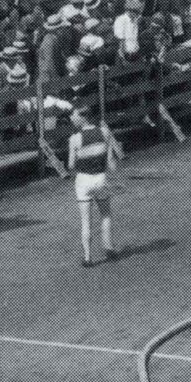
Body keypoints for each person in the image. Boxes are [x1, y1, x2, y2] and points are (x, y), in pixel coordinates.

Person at [69, 110, 119, 269]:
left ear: (83, 118)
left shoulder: (74, 139)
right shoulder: (105, 132)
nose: (72, 118)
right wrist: (115, 177)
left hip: (83, 181)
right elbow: (111, 162)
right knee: (105, 214)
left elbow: (71, 165)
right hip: (101, 178)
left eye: (74, 116)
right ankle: (109, 248)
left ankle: (88, 257)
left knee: (86, 221)